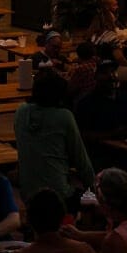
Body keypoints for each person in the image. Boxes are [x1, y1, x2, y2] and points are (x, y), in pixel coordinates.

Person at [14, 67, 93, 207]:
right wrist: (94, 187)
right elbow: (81, 160)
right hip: (58, 194)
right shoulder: (63, 117)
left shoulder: (21, 112)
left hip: (28, 192)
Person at [74, 58, 127, 168]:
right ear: (96, 76)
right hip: (102, 157)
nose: (111, 76)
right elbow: (82, 135)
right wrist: (112, 134)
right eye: (105, 73)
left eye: (113, 71)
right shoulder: (86, 103)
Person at [66, 40, 98, 106]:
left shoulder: (80, 69)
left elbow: (71, 89)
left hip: (83, 99)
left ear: (78, 54)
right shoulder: (98, 63)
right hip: (97, 96)